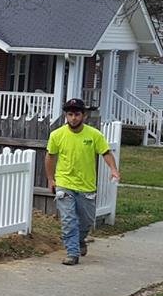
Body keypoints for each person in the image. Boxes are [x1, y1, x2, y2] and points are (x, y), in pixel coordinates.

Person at [45, 98, 121, 266]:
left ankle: (79, 240)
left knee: (86, 221)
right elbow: (50, 157)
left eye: (77, 114)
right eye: (70, 114)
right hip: (65, 183)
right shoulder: (57, 135)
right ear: (66, 115)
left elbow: (106, 153)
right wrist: (51, 179)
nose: (73, 118)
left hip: (87, 185)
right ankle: (72, 253)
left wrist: (114, 169)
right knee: (68, 219)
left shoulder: (94, 135)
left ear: (84, 116)